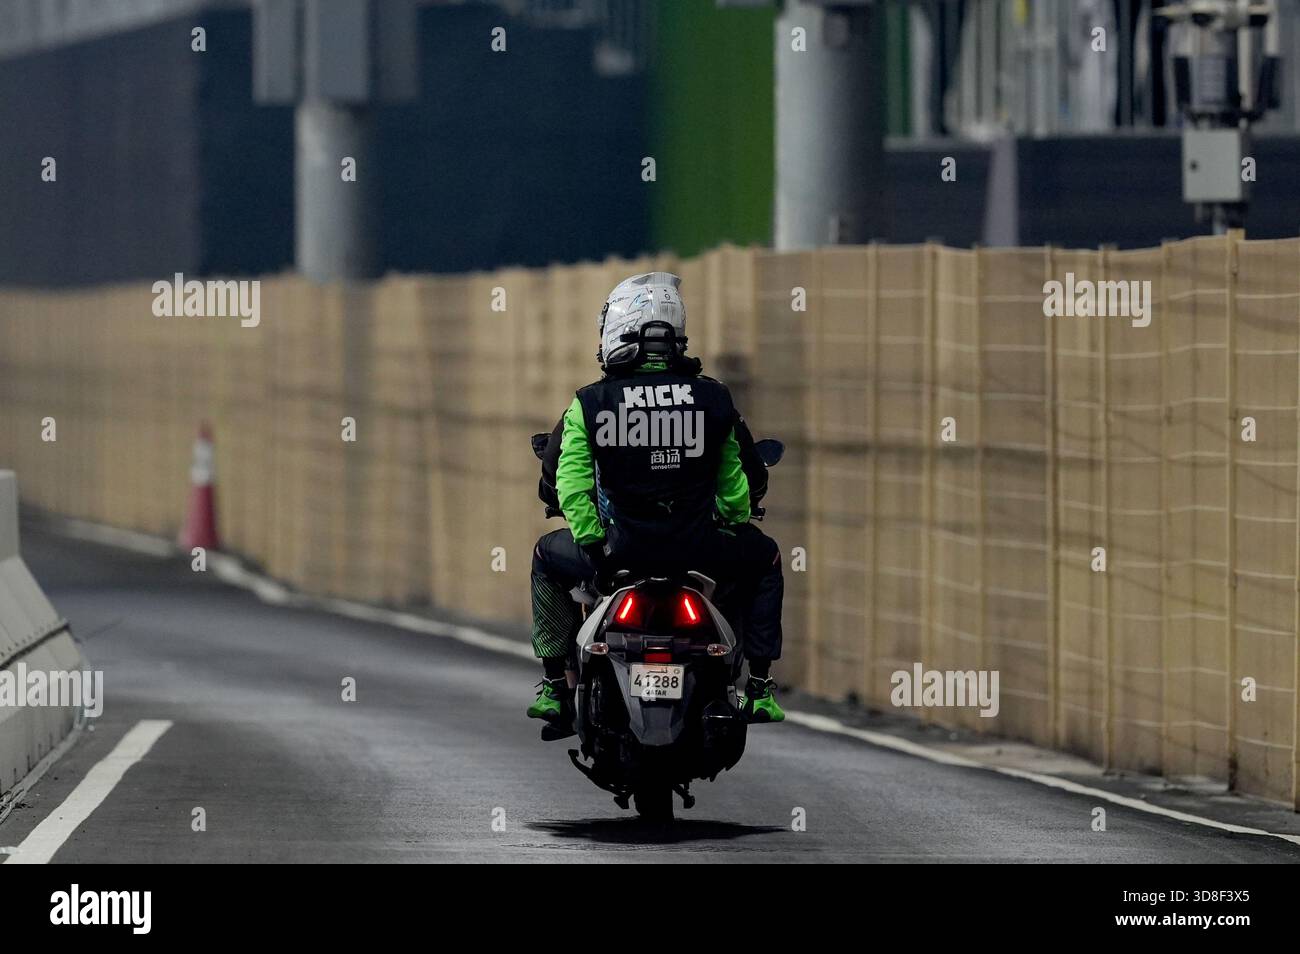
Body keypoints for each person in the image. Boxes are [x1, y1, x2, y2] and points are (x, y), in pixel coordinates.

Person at [526, 271, 785, 737]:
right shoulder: (713, 398)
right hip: (700, 553)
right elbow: (736, 487)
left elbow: (569, 481)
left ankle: (553, 688)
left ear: (616, 331)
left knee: (545, 556)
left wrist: (594, 543)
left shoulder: (591, 402)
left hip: (617, 555)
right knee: (764, 557)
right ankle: (762, 688)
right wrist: (732, 522)